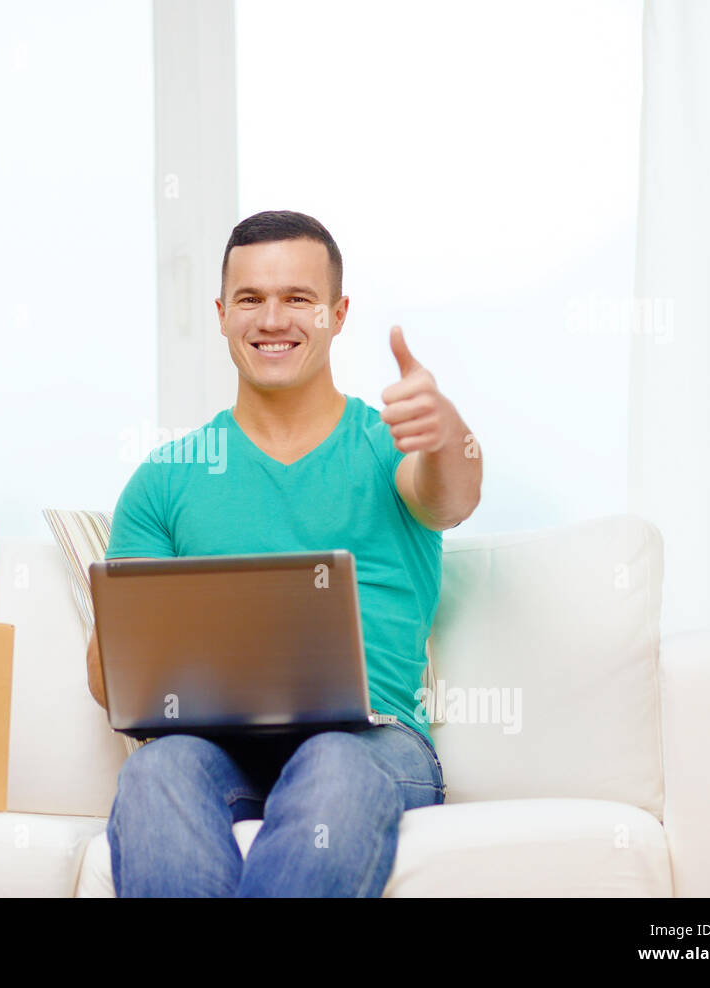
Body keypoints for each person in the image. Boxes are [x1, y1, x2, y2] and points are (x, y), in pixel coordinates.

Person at [86, 209, 482, 897]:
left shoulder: (389, 448)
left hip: (371, 746)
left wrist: (445, 434)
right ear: (221, 315)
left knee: (332, 761)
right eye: (250, 299)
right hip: (218, 751)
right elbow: (109, 681)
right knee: (154, 770)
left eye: (298, 298)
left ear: (337, 313)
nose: (272, 320)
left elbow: (451, 497)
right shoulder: (165, 479)